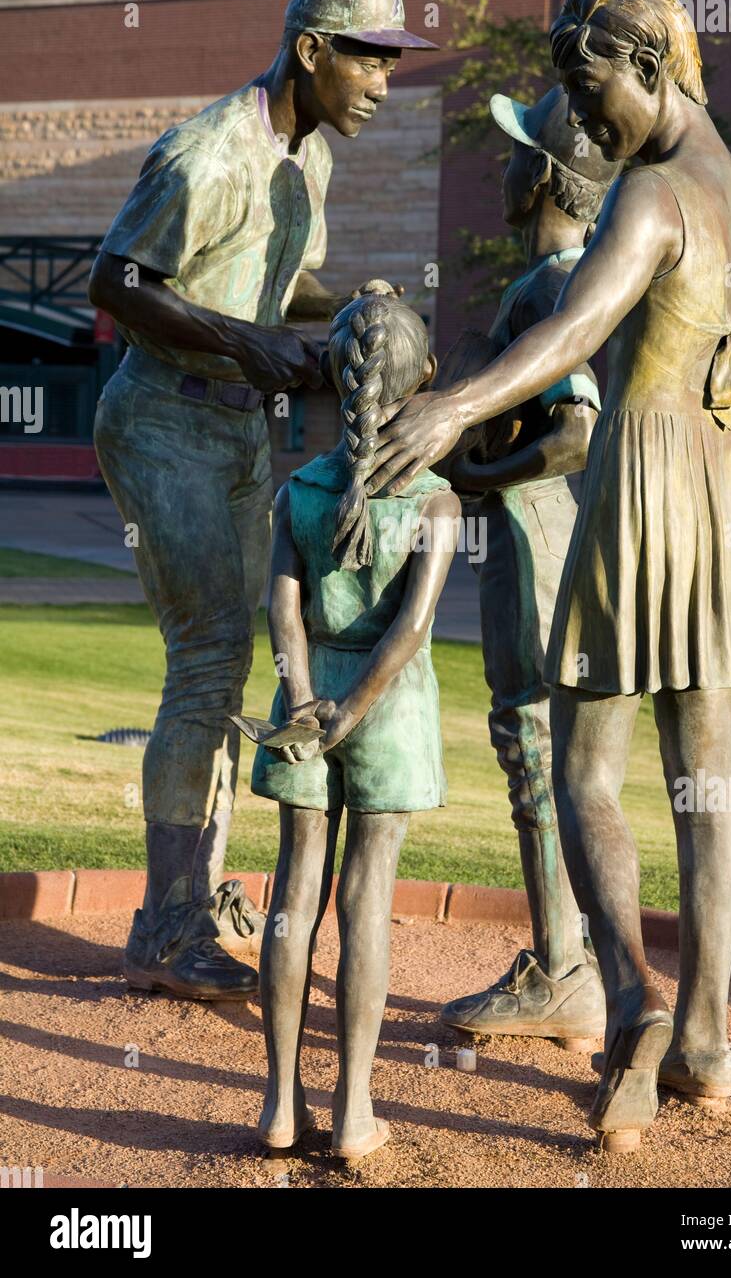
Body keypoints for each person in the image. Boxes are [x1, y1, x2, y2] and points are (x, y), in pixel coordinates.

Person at [366, 0, 731, 1151]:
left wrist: (449, 413)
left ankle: (634, 1006)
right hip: (724, 491)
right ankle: (705, 1040)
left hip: (645, 483)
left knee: (586, 768)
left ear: (646, 68)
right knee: (706, 782)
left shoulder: (650, 195)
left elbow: (572, 332)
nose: (582, 119)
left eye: (586, 85)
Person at [89, 0, 436, 1001]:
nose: (382, 79)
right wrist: (251, 343)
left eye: (393, 59)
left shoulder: (305, 160)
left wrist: (361, 319)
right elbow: (116, 282)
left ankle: (194, 901)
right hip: (161, 419)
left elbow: (285, 282)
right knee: (204, 662)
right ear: (312, 50)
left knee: (230, 667)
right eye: (368, 56)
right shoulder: (210, 153)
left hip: (236, 427)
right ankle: (165, 927)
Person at [238, 290, 459, 1161]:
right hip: (386, 706)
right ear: (425, 380)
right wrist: (353, 712)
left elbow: (282, 612)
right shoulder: (436, 504)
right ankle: (354, 1111)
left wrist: (301, 702)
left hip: (309, 696)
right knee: (366, 901)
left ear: (334, 376)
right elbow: (410, 630)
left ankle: (279, 1106)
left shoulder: (301, 489)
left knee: (295, 895)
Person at [439, 87, 621, 1043]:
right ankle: (571, 964)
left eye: (516, 154)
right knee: (546, 753)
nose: (501, 167)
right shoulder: (571, 275)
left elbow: (577, 431)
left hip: (534, 535)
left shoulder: (554, 284)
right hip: (546, 537)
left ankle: (563, 970)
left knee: (533, 749)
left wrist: (478, 471)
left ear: (548, 176)